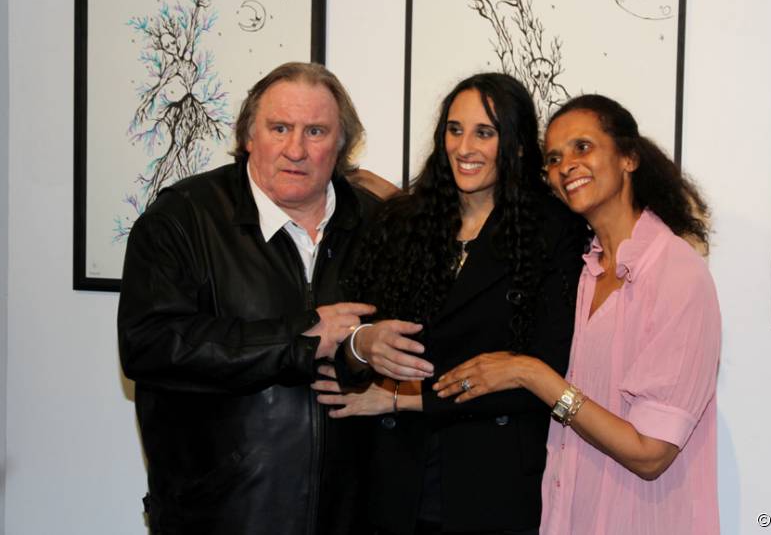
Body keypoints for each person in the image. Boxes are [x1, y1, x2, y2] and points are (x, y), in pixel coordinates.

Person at [118, 62, 418, 535]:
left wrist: (365, 359)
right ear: (248, 136)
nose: (295, 149)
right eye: (279, 128)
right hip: (223, 514)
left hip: (354, 514)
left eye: (316, 131)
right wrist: (300, 339)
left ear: (341, 146)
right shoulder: (181, 219)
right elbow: (151, 344)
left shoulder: (380, 224)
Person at [434, 94, 721, 534]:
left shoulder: (676, 273)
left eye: (582, 147)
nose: (566, 164)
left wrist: (532, 375)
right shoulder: (586, 270)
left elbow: (650, 453)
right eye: (553, 157)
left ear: (628, 156)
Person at [315, 73, 586, 535]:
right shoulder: (402, 222)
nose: (465, 147)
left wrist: (403, 400)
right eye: (454, 130)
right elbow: (350, 345)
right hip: (391, 480)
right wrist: (362, 349)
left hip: (490, 486)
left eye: (485, 132)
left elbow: (545, 371)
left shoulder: (554, 232)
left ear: (517, 145)